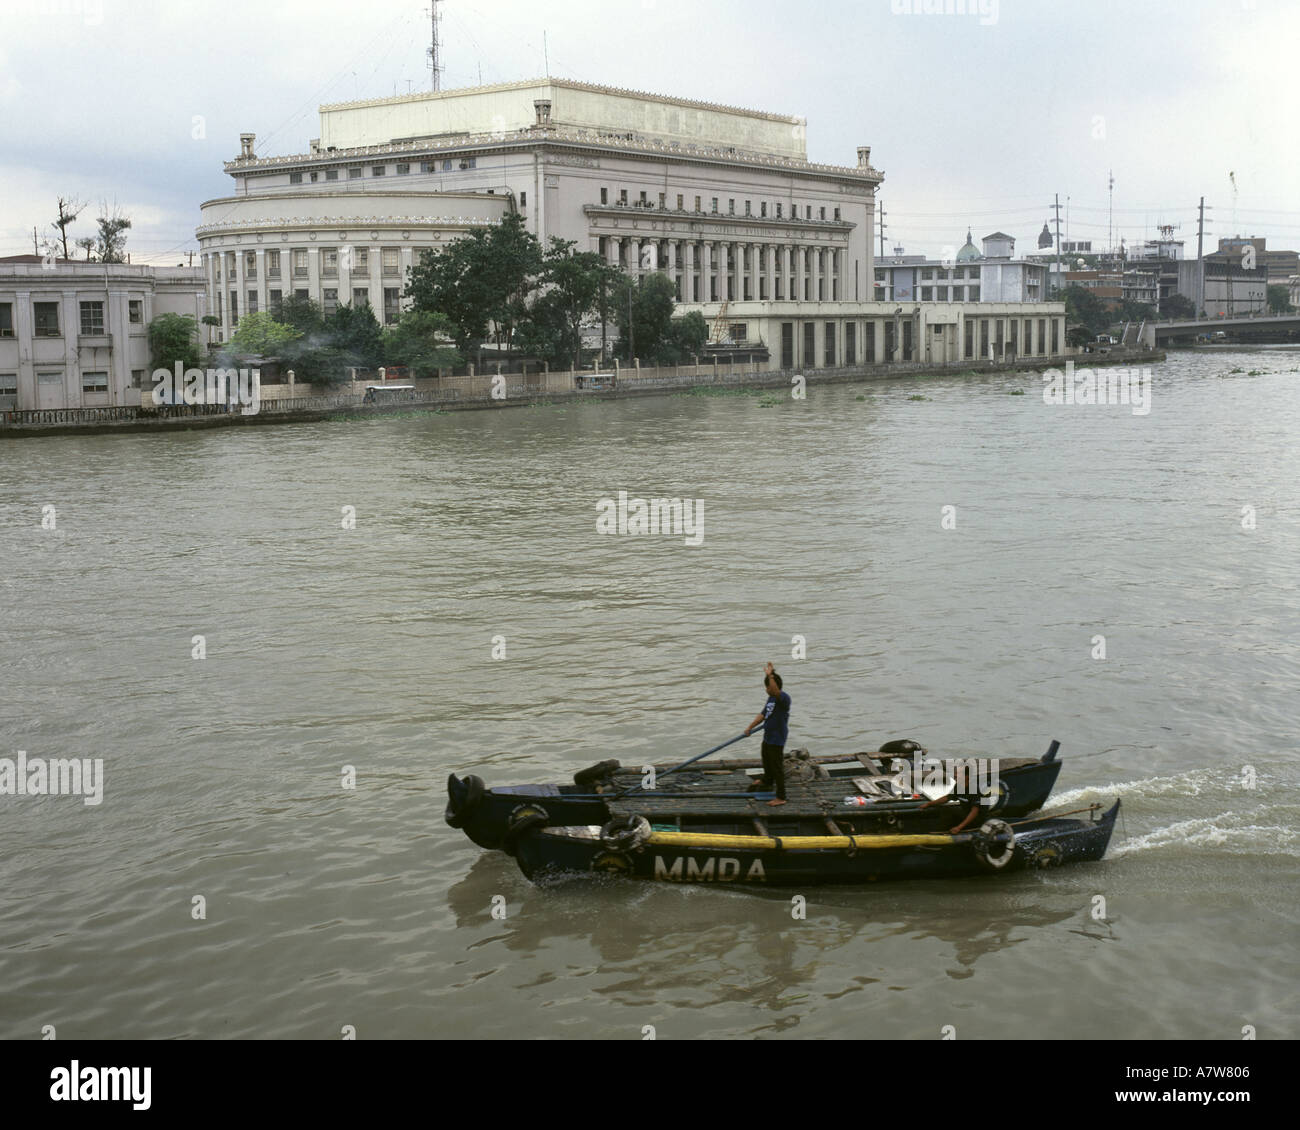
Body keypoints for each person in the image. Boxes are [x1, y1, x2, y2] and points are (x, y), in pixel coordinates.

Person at [745, 662, 791, 807]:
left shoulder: (783, 698)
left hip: (777, 738)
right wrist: (750, 728)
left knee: (776, 767)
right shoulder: (770, 699)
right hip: (768, 736)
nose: (766, 689)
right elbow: (763, 714)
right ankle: (767, 781)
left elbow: (776, 691)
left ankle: (781, 796)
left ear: (774, 686)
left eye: (768, 686)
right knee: (766, 760)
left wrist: (770, 675)